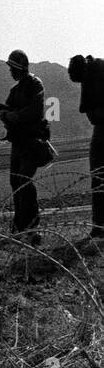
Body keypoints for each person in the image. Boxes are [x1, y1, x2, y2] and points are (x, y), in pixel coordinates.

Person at [0, 50, 50, 242]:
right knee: (15, 181)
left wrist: (16, 116)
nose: (11, 71)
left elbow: (35, 110)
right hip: (18, 142)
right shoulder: (15, 90)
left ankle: (33, 228)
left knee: (24, 181)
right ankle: (20, 225)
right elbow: (4, 109)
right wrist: (6, 116)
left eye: (13, 68)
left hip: (32, 141)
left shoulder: (35, 84)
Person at [68, 53, 104, 238]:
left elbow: (91, 111)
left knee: (98, 177)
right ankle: (99, 225)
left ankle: (99, 225)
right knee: (98, 178)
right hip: (101, 130)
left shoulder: (93, 72)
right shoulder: (94, 68)